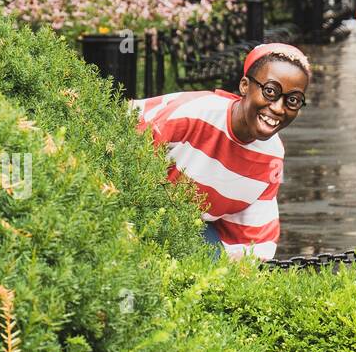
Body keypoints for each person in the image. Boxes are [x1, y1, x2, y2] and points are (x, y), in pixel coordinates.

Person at [131, 43, 311, 261]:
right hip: (129, 203)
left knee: (210, 259)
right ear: (245, 86)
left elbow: (254, 236)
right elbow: (124, 158)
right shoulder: (193, 114)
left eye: (292, 100)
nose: (278, 108)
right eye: (270, 91)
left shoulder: (272, 155)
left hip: (187, 222)